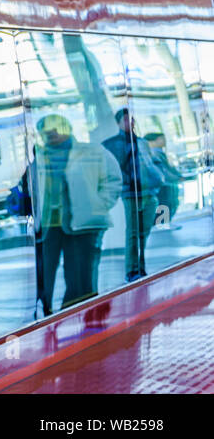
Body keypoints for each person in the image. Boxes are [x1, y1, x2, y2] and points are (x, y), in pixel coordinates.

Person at [27, 114, 121, 313]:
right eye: (45, 130)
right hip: (47, 227)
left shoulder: (92, 151)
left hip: (84, 225)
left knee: (79, 278)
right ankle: (45, 315)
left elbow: (113, 179)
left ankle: (77, 317)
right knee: (44, 277)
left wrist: (98, 205)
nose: (50, 133)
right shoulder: (38, 157)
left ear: (66, 128)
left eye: (55, 128)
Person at [102, 109, 164, 281]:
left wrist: (159, 178)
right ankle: (132, 270)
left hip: (148, 192)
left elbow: (150, 164)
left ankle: (140, 267)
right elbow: (112, 169)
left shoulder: (142, 142)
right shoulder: (111, 144)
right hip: (130, 193)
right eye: (126, 120)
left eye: (132, 120)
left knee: (144, 232)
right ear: (119, 123)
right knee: (133, 232)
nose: (131, 123)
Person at [142, 132, 183, 229]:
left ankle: (164, 223)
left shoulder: (159, 153)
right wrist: (176, 178)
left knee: (168, 204)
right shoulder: (154, 154)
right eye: (161, 139)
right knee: (164, 204)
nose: (164, 141)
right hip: (162, 186)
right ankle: (161, 225)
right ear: (152, 141)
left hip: (165, 185)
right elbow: (163, 171)